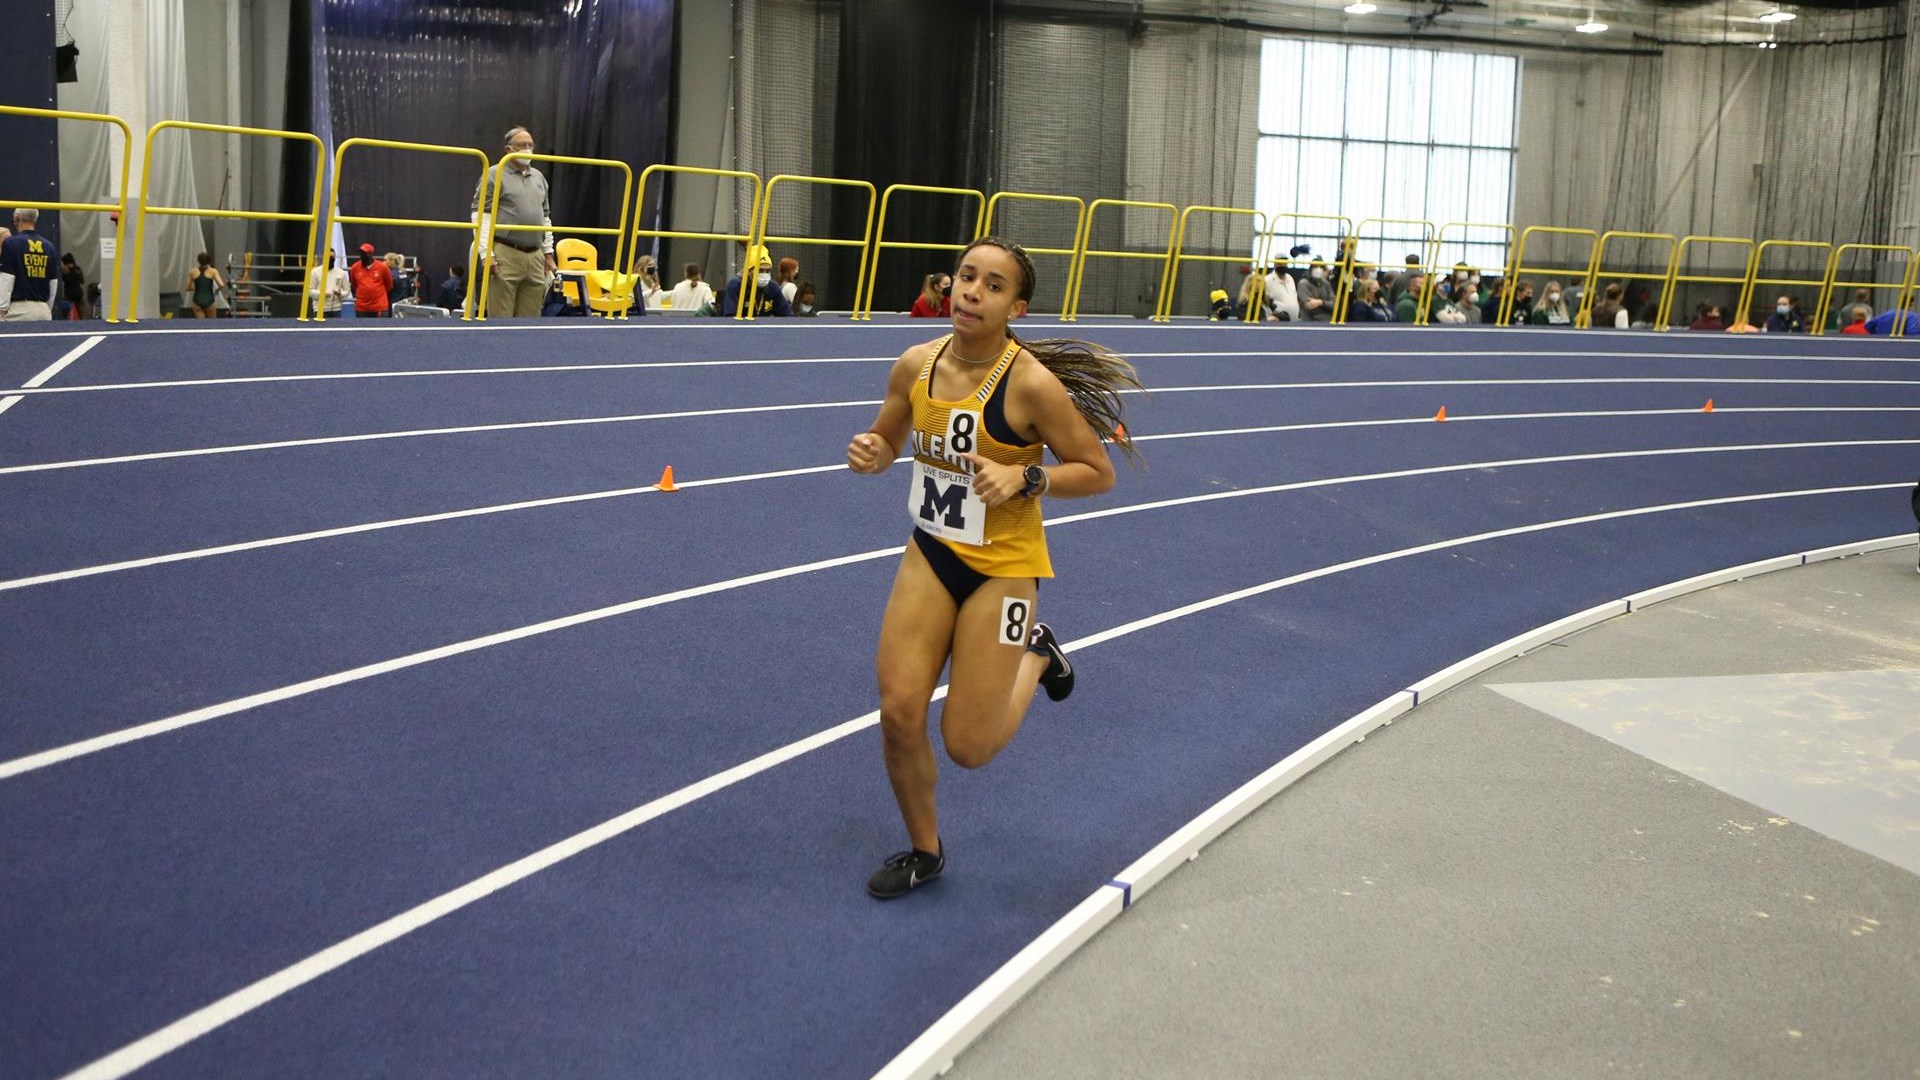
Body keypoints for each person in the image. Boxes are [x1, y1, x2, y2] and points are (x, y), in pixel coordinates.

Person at [845, 236, 1141, 900]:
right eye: (966, 277)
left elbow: (1098, 473)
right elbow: (889, 437)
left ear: (1017, 306)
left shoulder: (1030, 384)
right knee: (897, 713)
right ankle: (925, 849)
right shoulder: (915, 365)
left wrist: (1024, 476)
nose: (972, 291)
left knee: (968, 747)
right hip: (932, 553)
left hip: (1003, 570)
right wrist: (871, 452)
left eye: (994, 284)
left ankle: (1037, 655)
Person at [472, 126, 556, 318]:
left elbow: (545, 217)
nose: (528, 149)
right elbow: (480, 215)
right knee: (501, 319)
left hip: (535, 256)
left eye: (530, 145)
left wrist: (548, 254)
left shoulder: (538, 177)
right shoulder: (494, 173)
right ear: (509, 149)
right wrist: (486, 254)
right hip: (506, 253)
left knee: (531, 318)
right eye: (522, 145)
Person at [1, 208, 60, 321]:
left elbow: (7, 278)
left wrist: (2, 308)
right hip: (43, 310)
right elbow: (53, 283)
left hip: (18, 310)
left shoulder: (11, 243)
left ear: (17, 219)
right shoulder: (49, 247)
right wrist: (47, 308)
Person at [716, 243, 791, 317]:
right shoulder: (735, 285)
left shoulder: (773, 288)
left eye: (767, 271)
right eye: (760, 270)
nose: (764, 274)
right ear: (749, 271)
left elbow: (787, 316)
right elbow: (730, 317)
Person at [348, 242, 393, 317]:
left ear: (371, 254)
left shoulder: (382, 267)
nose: (362, 256)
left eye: (365, 253)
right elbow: (354, 284)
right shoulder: (355, 268)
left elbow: (389, 285)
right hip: (361, 307)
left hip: (379, 307)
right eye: (361, 253)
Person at [308, 250, 351, 318]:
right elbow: (309, 291)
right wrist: (322, 294)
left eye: (332, 257)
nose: (330, 260)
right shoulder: (315, 272)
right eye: (328, 257)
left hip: (336, 309)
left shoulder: (341, 273)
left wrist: (340, 294)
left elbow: (347, 291)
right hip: (319, 309)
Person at [182, 251, 225, 318]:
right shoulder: (213, 271)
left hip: (197, 300)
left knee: (201, 325)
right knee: (212, 325)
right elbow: (221, 285)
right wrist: (216, 290)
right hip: (209, 300)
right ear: (209, 261)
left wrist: (199, 288)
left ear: (198, 260)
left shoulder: (192, 272)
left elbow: (187, 288)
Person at [1297, 256, 1335, 321]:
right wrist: (1327, 305)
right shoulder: (1303, 283)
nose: (1318, 269)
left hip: (1327, 322)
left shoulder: (1326, 284)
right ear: (1311, 269)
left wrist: (1321, 302)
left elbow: (1334, 304)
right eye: (1316, 267)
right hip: (1309, 322)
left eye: (1321, 267)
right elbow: (1309, 305)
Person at [59, 253, 87, 319]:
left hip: (69, 294)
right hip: (79, 293)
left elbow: (61, 266)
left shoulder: (65, 270)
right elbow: (82, 281)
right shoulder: (78, 269)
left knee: (65, 314)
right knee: (82, 316)